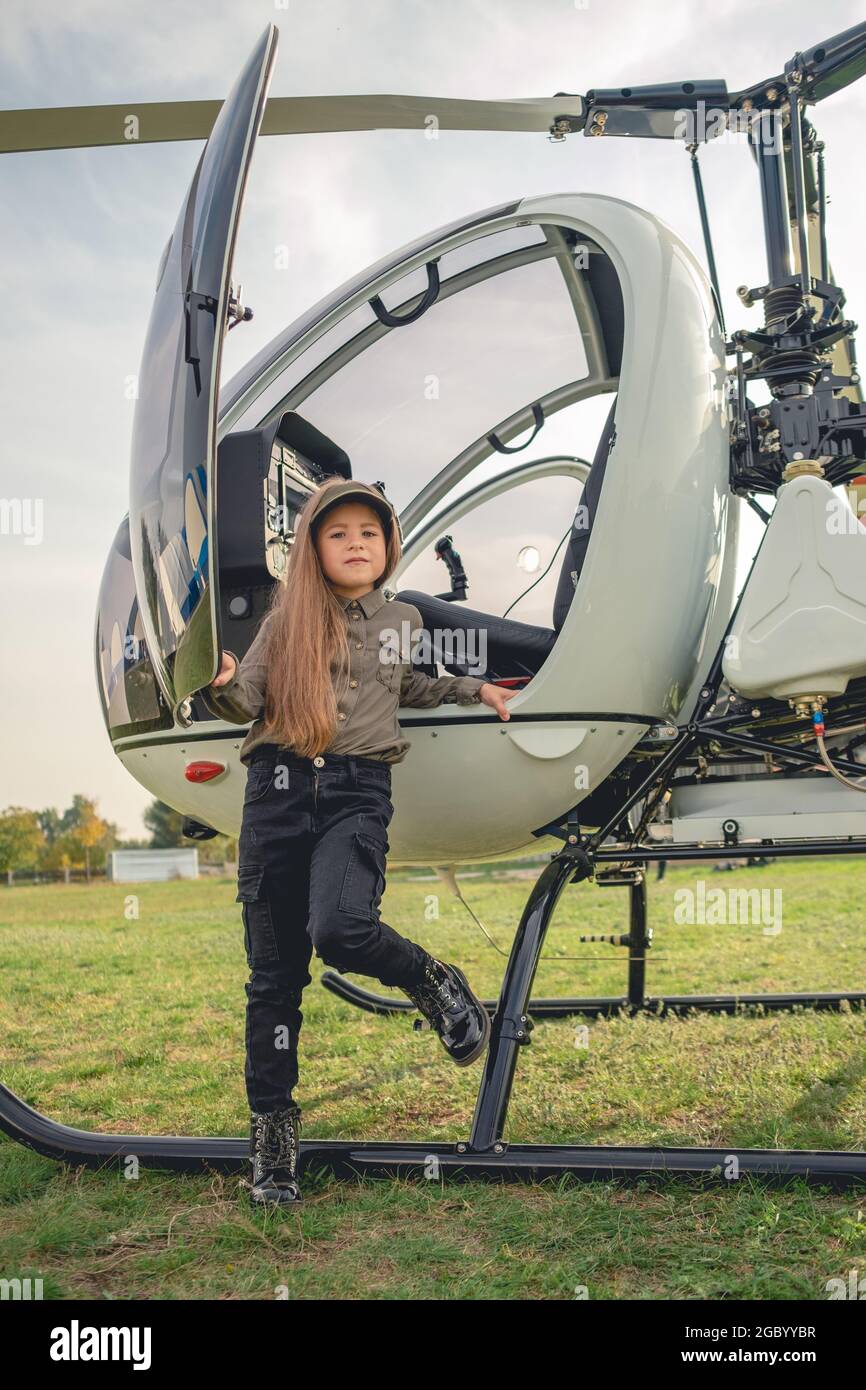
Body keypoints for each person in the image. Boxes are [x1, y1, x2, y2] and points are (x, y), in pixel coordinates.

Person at [199, 477, 518, 1205]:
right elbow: (247, 696)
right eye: (338, 533)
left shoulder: (402, 617)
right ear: (314, 547)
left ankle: (431, 978)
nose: (355, 544)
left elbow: (414, 684)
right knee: (273, 982)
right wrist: (218, 682)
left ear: (387, 547)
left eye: (368, 534)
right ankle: (273, 1140)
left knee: (342, 928)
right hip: (276, 795)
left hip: (355, 792)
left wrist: (481, 690)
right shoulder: (285, 624)